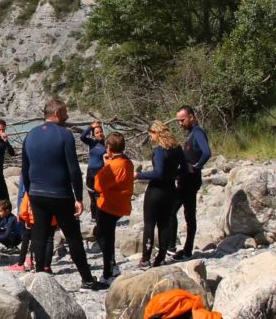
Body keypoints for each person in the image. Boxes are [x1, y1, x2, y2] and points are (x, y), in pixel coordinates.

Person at [18, 97, 99, 288]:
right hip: (60, 194)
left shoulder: (30, 135)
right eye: (64, 113)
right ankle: (87, 279)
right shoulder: (64, 135)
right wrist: (78, 197)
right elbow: (73, 169)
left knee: (40, 234)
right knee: (73, 237)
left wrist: (29, 192)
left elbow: (25, 169)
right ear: (56, 113)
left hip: (37, 193)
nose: (67, 116)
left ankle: (40, 278)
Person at [136, 120, 186, 266]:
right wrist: (173, 175)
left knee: (149, 224)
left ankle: (145, 259)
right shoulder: (177, 148)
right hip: (170, 190)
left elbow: (158, 173)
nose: (151, 138)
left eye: (150, 135)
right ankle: (161, 257)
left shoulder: (159, 150)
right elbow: (184, 168)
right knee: (164, 224)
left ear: (156, 133)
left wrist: (138, 175)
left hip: (155, 191)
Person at [91, 130, 135, 283]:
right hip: (121, 204)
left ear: (108, 148)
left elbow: (98, 184)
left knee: (105, 238)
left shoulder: (114, 165)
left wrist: (105, 165)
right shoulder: (127, 162)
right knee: (102, 234)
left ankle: (108, 272)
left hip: (109, 206)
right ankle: (112, 266)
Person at [173, 106, 211, 261]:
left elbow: (207, 152)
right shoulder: (191, 134)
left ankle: (184, 249)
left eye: (182, 120)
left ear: (191, 117)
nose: (180, 123)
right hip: (185, 179)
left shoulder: (197, 132)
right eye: (179, 121)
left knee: (187, 214)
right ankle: (177, 247)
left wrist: (196, 166)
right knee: (177, 212)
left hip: (190, 180)